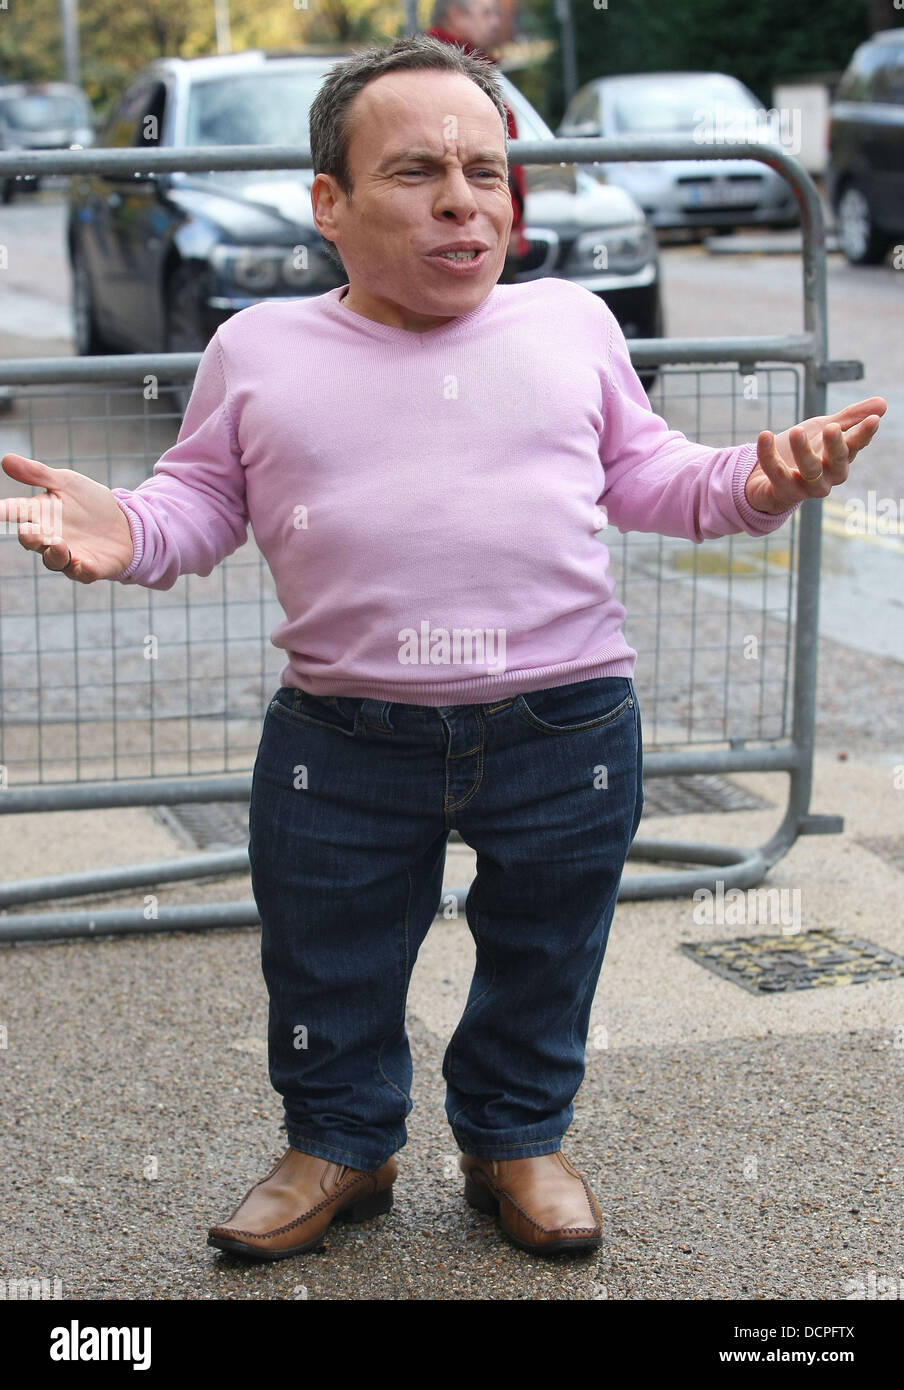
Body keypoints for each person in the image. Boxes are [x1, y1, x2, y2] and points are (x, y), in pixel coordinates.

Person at [0, 36, 886, 1261]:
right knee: (325, 960)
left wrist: (757, 478)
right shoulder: (257, 350)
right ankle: (339, 1144)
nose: (464, 200)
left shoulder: (570, 323)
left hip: (564, 721)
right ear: (330, 204)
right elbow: (197, 507)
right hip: (341, 737)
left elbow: (656, 477)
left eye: (487, 170)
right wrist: (126, 528)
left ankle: (516, 1139)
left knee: (545, 949)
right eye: (416, 171)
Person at [426, 0, 530, 280]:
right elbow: (471, 154)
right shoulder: (438, 70)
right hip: (473, 231)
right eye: (487, 13)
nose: (496, 22)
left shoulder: (467, 66)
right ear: (456, 15)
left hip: (482, 226)